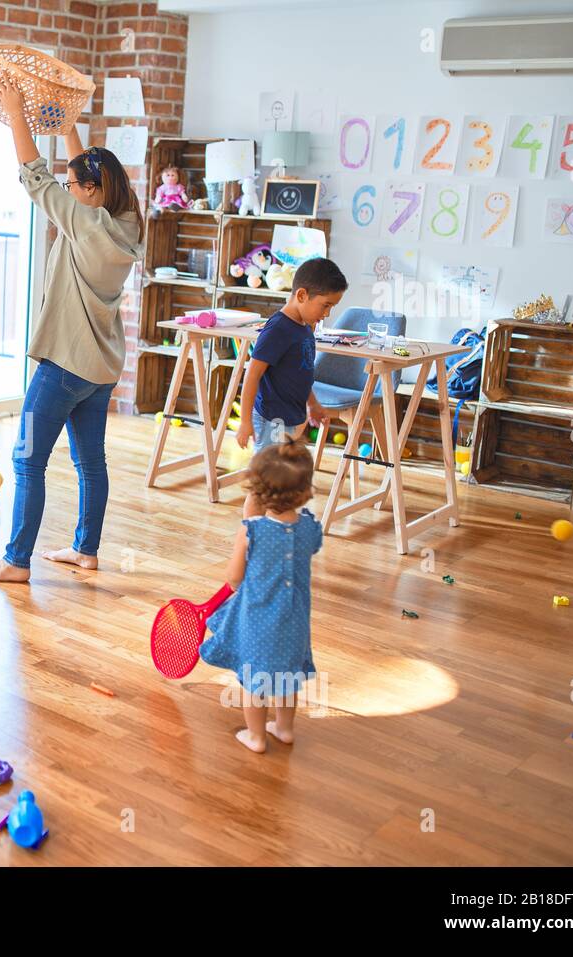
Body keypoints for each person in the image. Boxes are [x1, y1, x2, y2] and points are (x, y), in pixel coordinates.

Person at [0, 74, 144, 584]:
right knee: (91, 462)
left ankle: (16, 560)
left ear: (91, 193)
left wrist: (15, 113)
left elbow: (35, 176)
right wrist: (70, 130)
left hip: (65, 365)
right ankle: (85, 550)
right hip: (102, 368)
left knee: (27, 459)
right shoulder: (126, 221)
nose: (68, 190)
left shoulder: (85, 223)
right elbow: (79, 175)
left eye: (76, 186)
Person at [198, 438, 322, 753]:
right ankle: (284, 728)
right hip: (295, 623)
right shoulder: (310, 528)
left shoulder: (251, 530)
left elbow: (234, 578)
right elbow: (305, 548)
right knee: (286, 677)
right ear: (305, 491)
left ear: (258, 492)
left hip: (258, 622)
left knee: (255, 682)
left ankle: (255, 737)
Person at [233, 258, 348, 453]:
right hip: (272, 419)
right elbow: (252, 375)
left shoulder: (305, 328)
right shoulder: (278, 329)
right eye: (325, 305)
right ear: (302, 295)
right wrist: (245, 422)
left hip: (292, 417)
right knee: (268, 473)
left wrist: (313, 404)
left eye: (332, 307)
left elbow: (300, 375)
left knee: (282, 473)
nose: (327, 313)